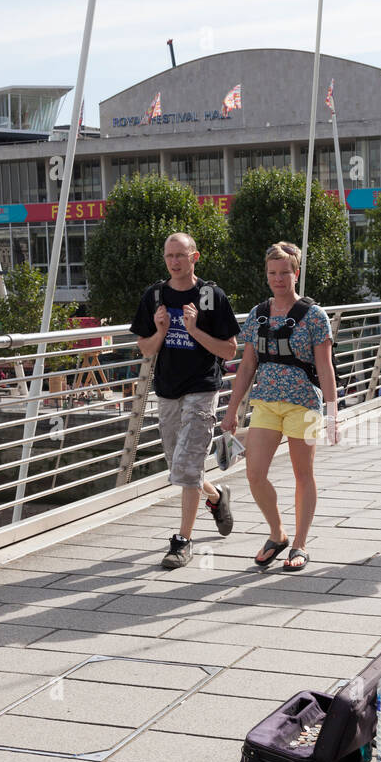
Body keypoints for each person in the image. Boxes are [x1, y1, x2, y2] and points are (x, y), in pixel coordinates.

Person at [221, 241, 339, 572]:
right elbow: (246, 367)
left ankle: (300, 544)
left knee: (304, 475)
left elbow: (325, 367)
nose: (278, 279)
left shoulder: (315, 316)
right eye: (272, 273)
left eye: (284, 272)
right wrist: (231, 412)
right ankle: (278, 533)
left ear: (296, 273)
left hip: (303, 403)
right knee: (254, 473)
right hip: (266, 403)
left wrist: (332, 413)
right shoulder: (258, 315)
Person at [131, 232, 239, 569]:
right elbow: (146, 350)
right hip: (167, 389)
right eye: (169, 256)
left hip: (202, 387)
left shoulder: (210, 295)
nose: (174, 262)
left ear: (195, 257)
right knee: (180, 466)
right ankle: (217, 496)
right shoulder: (155, 296)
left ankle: (182, 542)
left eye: (180, 255)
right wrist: (161, 331)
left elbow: (230, 350)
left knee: (188, 466)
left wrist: (194, 331)